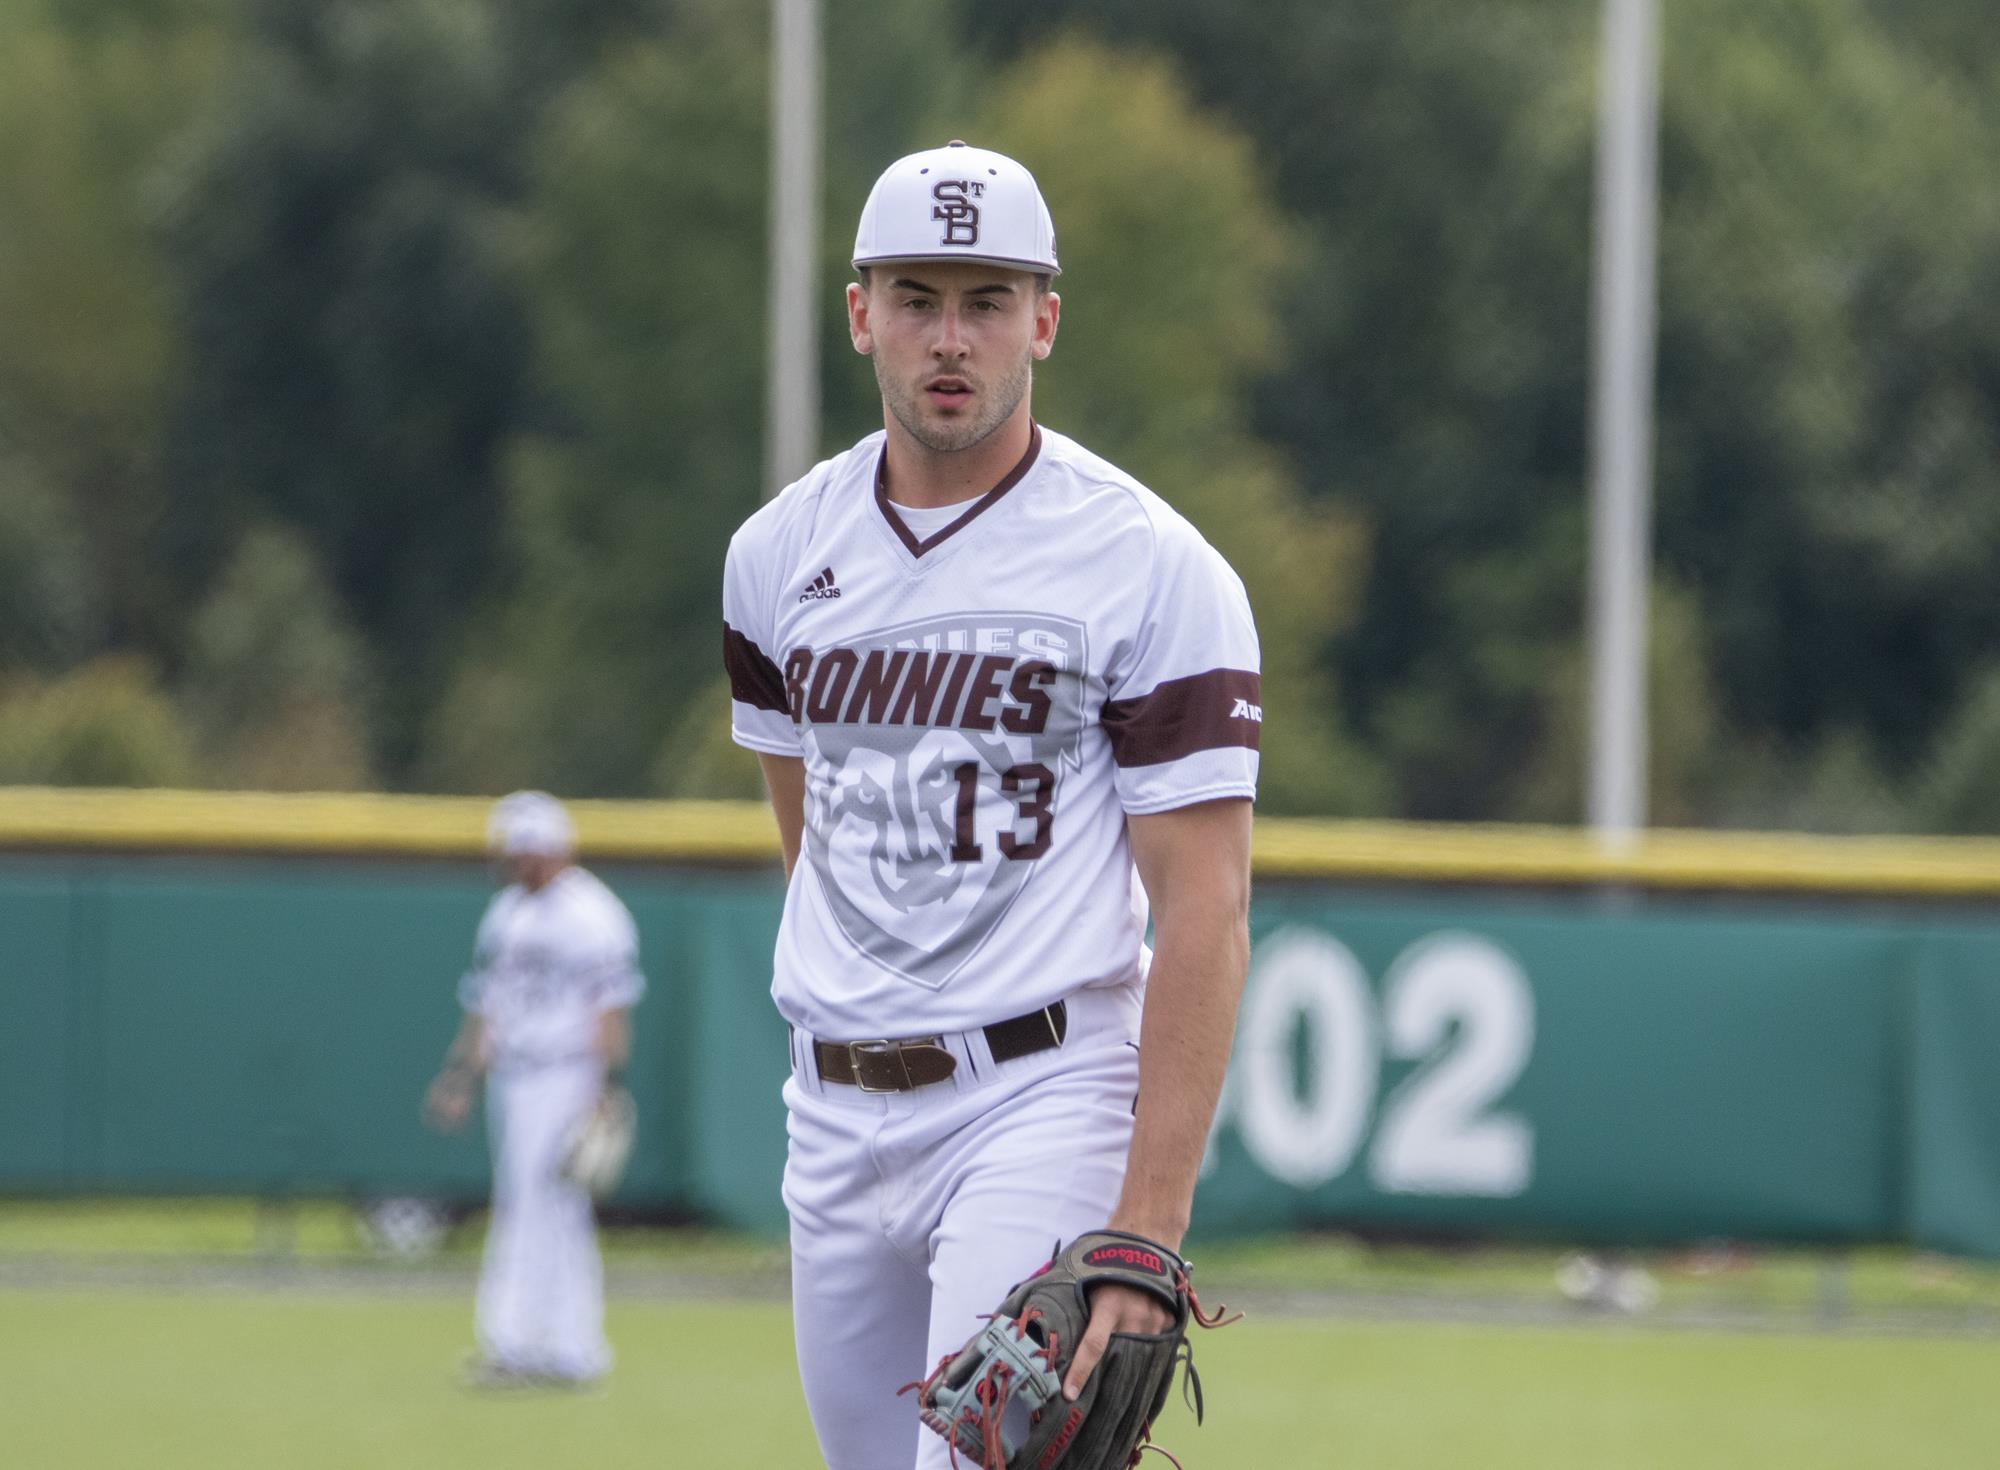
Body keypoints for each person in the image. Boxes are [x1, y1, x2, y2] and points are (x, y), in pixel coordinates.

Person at [722, 141, 1260, 1469]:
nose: (949, 335)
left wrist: (1147, 1225)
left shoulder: (1147, 563)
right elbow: (816, 843)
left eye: (989, 298)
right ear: (860, 315)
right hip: (835, 1108)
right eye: (916, 295)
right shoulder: (775, 556)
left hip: (1039, 1090)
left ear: (1046, 322)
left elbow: (1204, 904)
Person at [423, 790, 645, 1388]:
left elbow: (611, 1007)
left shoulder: (593, 912)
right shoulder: (507, 912)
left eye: (528, 850)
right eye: (512, 851)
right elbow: (486, 1004)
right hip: (515, 1074)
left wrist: (605, 1087)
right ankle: (569, 1349)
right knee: (546, 1207)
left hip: (566, 1070)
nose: (518, 862)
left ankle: (520, 1343)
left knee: (539, 1205)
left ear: (556, 847)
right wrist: (460, 1075)